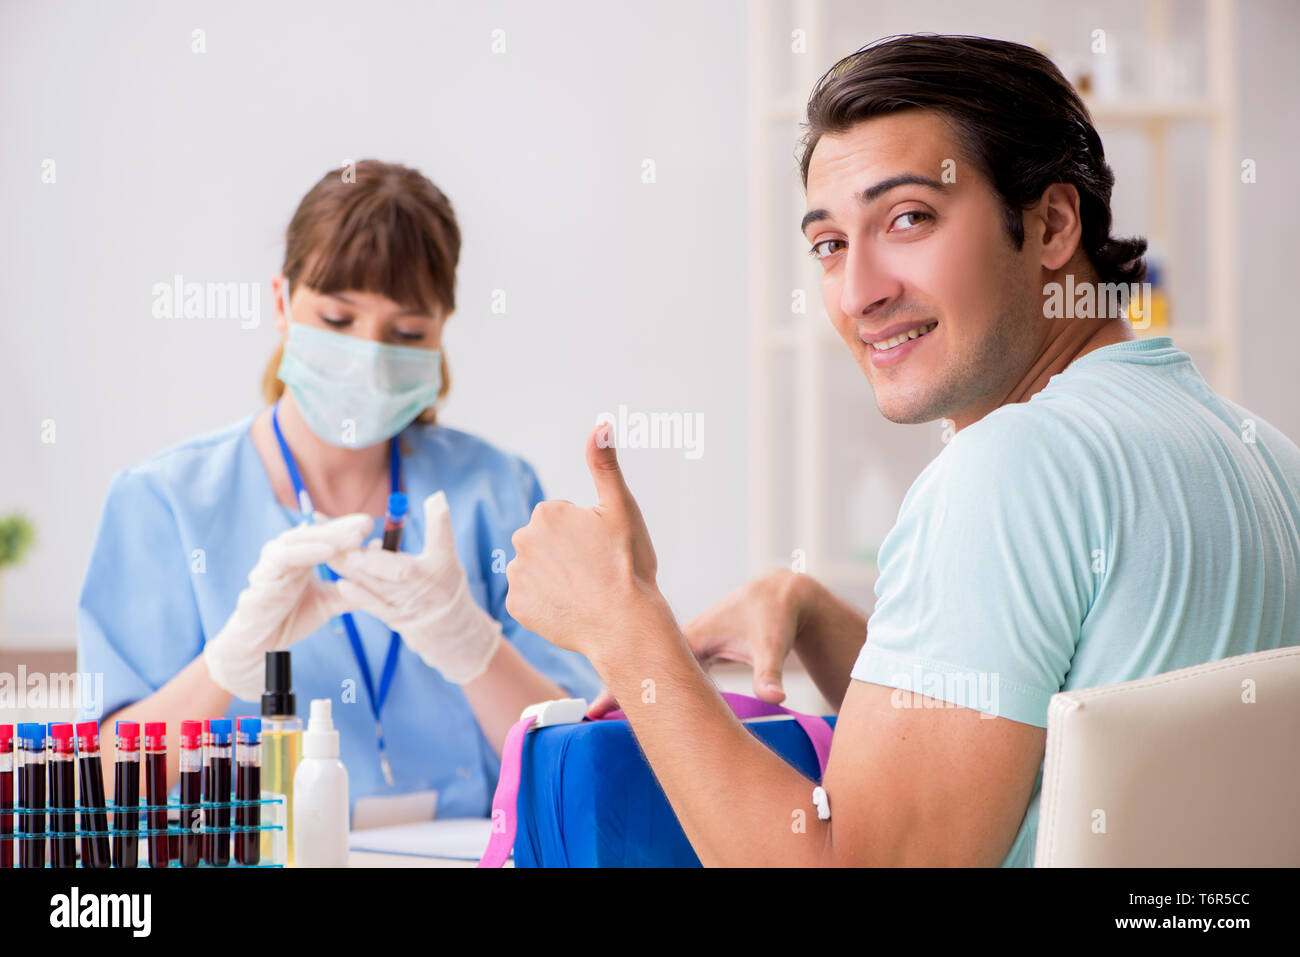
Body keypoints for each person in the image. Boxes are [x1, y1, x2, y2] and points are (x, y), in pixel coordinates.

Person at [501, 36, 1300, 865]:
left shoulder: (1011, 470)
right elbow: (1005, 742)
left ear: (1053, 223)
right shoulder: (1258, 455)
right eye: (830, 245)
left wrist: (626, 629)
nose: (860, 293)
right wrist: (815, 613)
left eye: (909, 218)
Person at [77, 159, 600, 816]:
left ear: (441, 334)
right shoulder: (163, 501)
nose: (371, 357)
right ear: (280, 304)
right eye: (337, 318)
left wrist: (475, 648)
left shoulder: (495, 489)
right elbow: (93, 787)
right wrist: (223, 668)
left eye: (407, 333)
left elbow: (579, 768)